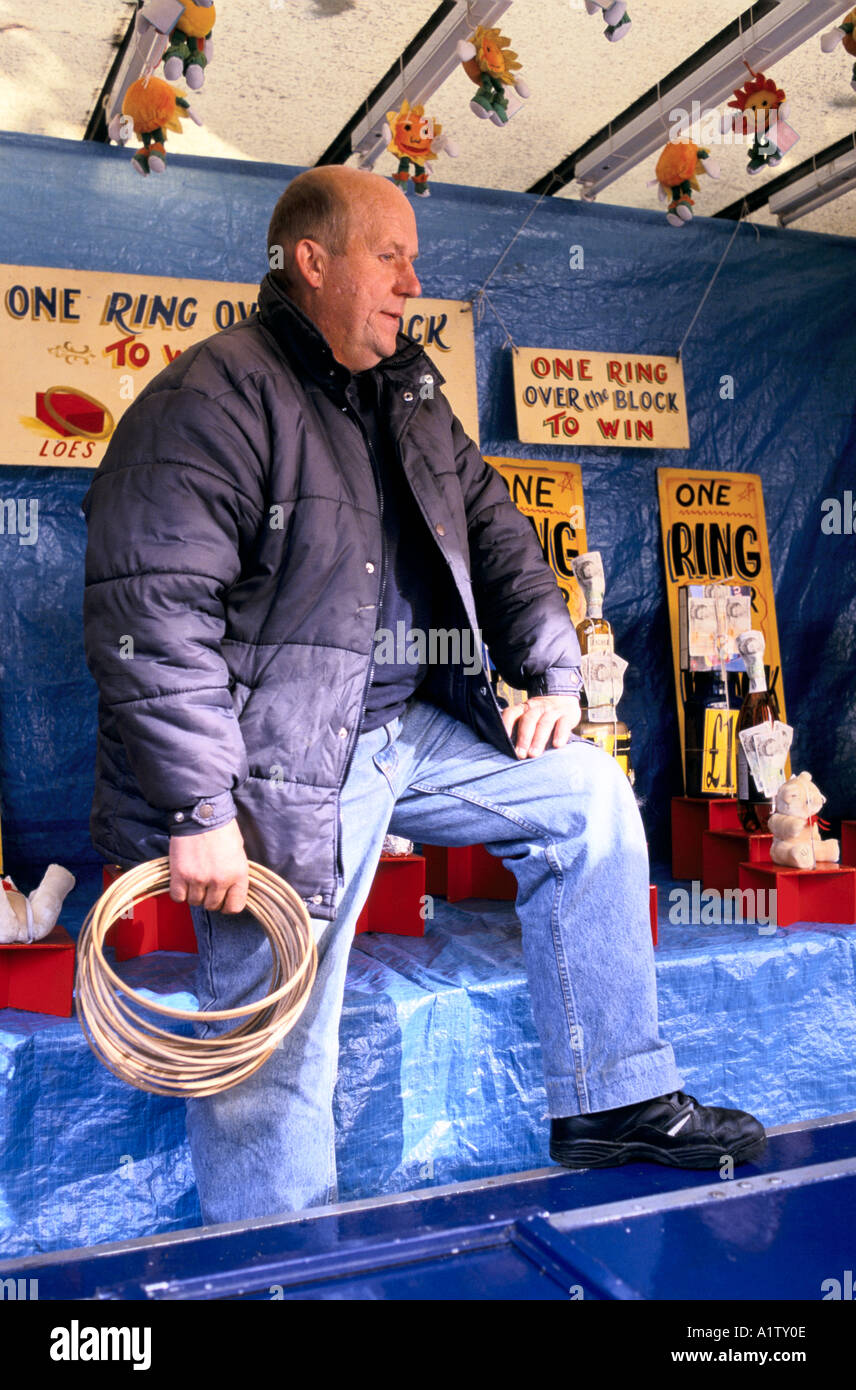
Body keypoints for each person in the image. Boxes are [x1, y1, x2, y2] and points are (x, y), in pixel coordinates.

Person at [81, 165, 766, 1225]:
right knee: (281, 1007)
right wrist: (199, 810)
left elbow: (498, 536)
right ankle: (278, 1252)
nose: (414, 278)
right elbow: (150, 614)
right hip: (277, 760)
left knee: (587, 796)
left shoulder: (409, 392)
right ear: (311, 262)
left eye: (413, 256)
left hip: (407, 730)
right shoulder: (211, 395)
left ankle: (613, 1099)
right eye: (389, 254)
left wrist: (550, 670)